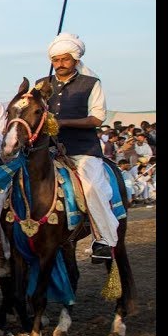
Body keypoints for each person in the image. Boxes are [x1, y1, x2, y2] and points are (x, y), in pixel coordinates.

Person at [39, 32, 119, 262]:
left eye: (65, 59)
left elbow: (97, 118)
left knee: (92, 186)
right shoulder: (43, 85)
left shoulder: (91, 84)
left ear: (75, 59)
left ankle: (104, 239)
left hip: (82, 150)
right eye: (55, 60)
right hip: (48, 150)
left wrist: (62, 122)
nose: (59, 64)